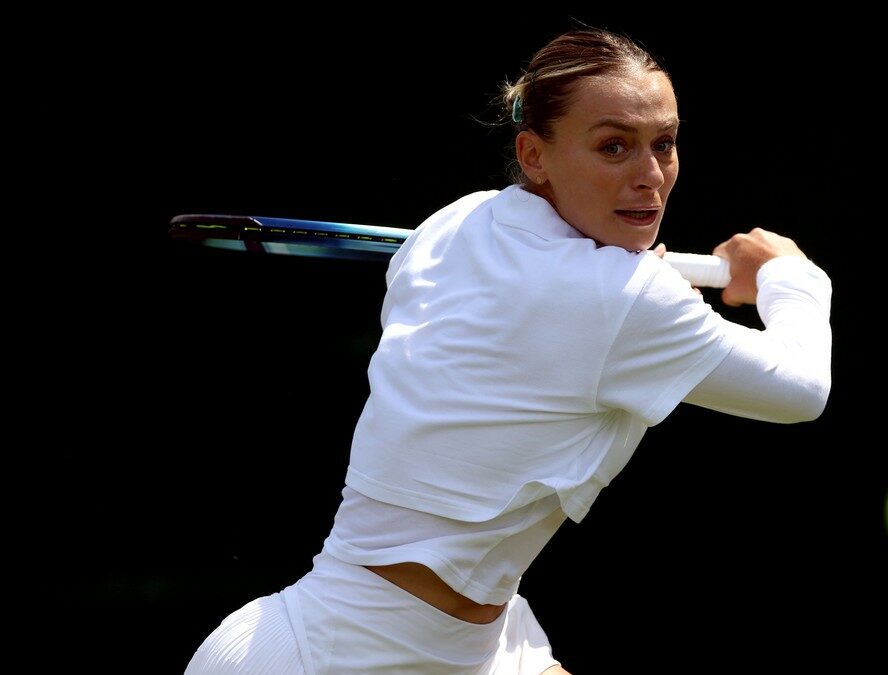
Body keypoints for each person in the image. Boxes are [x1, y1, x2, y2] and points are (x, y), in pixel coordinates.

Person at [185, 26, 831, 674]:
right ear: (534, 155)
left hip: (470, 642)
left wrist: (640, 294)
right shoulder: (623, 299)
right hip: (335, 657)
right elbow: (802, 389)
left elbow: (566, 321)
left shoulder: (458, 222)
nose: (650, 175)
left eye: (664, 143)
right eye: (614, 146)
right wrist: (791, 276)